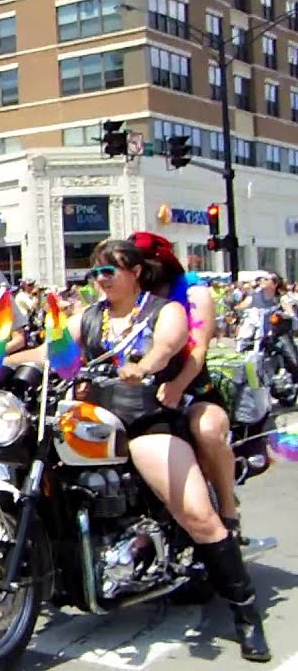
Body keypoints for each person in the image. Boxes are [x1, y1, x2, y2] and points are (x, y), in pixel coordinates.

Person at [6, 240, 268, 662]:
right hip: (94, 420)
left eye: (108, 272)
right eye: (94, 274)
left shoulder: (164, 311)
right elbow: (55, 352)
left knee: (199, 517)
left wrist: (143, 367)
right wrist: (5, 357)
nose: (99, 281)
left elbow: (168, 345)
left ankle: (246, 614)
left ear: (135, 273)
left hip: (145, 422)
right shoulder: (89, 318)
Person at [129, 232, 243, 542]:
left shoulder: (193, 291)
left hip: (194, 390)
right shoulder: (132, 297)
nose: (136, 272)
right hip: (140, 396)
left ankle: (228, 514)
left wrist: (178, 385)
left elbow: (198, 348)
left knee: (206, 429)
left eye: (139, 264)